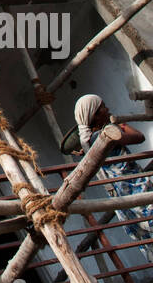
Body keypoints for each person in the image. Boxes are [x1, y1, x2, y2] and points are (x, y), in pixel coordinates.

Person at [64, 93, 153, 262]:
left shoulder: (88, 141)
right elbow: (139, 137)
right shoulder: (105, 136)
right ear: (95, 115)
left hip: (121, 195)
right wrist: (119, 124)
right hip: (135, 187)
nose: (107, 109)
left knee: (145, 234)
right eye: (103, 107)